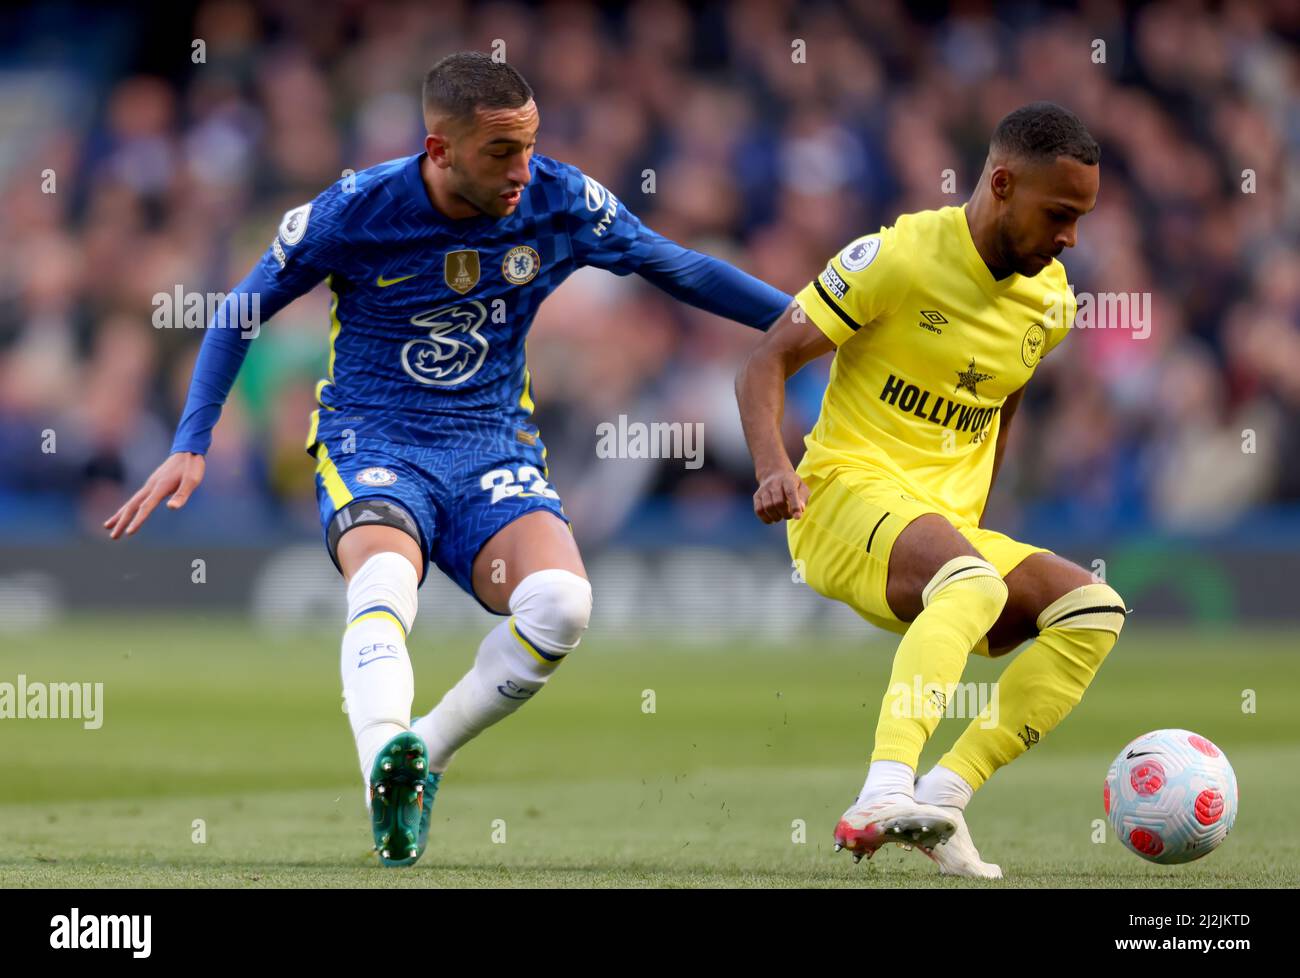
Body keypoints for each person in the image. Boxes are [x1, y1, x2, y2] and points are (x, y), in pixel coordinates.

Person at [106, 51, 791, 867]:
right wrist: (192, 442)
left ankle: (420, 754)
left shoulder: (558, 201)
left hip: (490, 446)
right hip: (374, 439)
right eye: (502, 152)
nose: (522, 169)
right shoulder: (357, 209)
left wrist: (816, 323)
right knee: (388, 579)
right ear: (439, 150)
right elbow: (239, 309)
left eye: (530, 146)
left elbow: (681, 268)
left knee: (562, 608)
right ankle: (381, 765)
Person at [735, 102, 1125, 878]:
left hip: (936, 524)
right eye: (1058, 214)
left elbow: (1001, 404)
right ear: (1003, 184)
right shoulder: (898, 256)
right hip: (840, 497)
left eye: (1081, 219)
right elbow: (765, 362)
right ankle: (881, 793)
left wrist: (972, 513)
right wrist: (774, 466)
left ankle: (944, 797)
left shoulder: (1049, 303)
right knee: (971, 581)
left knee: (1092, 610)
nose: (1069, 238)